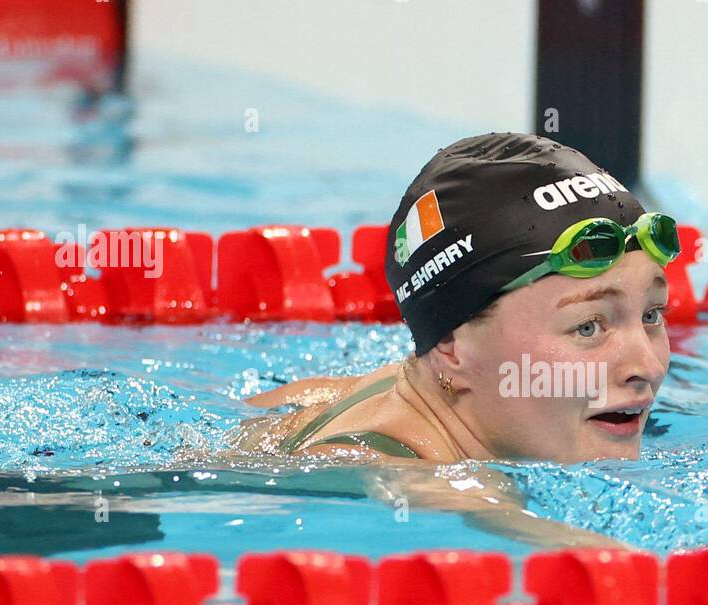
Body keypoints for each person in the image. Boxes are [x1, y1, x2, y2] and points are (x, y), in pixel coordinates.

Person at [236, 131, 679, 466]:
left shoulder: (350, 393)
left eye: (651, 315)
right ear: (451, 346)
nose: (649, 367)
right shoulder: (405, 479)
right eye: (588, 326)